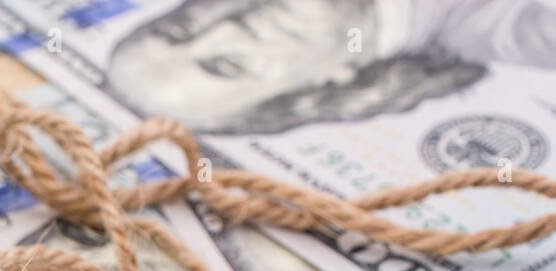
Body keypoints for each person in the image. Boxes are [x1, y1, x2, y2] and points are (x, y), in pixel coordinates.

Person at [107, 0, 556, 136]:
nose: (223, 30)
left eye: (181, 28)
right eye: (227, 64)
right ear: (322, 87)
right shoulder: (519, 28)